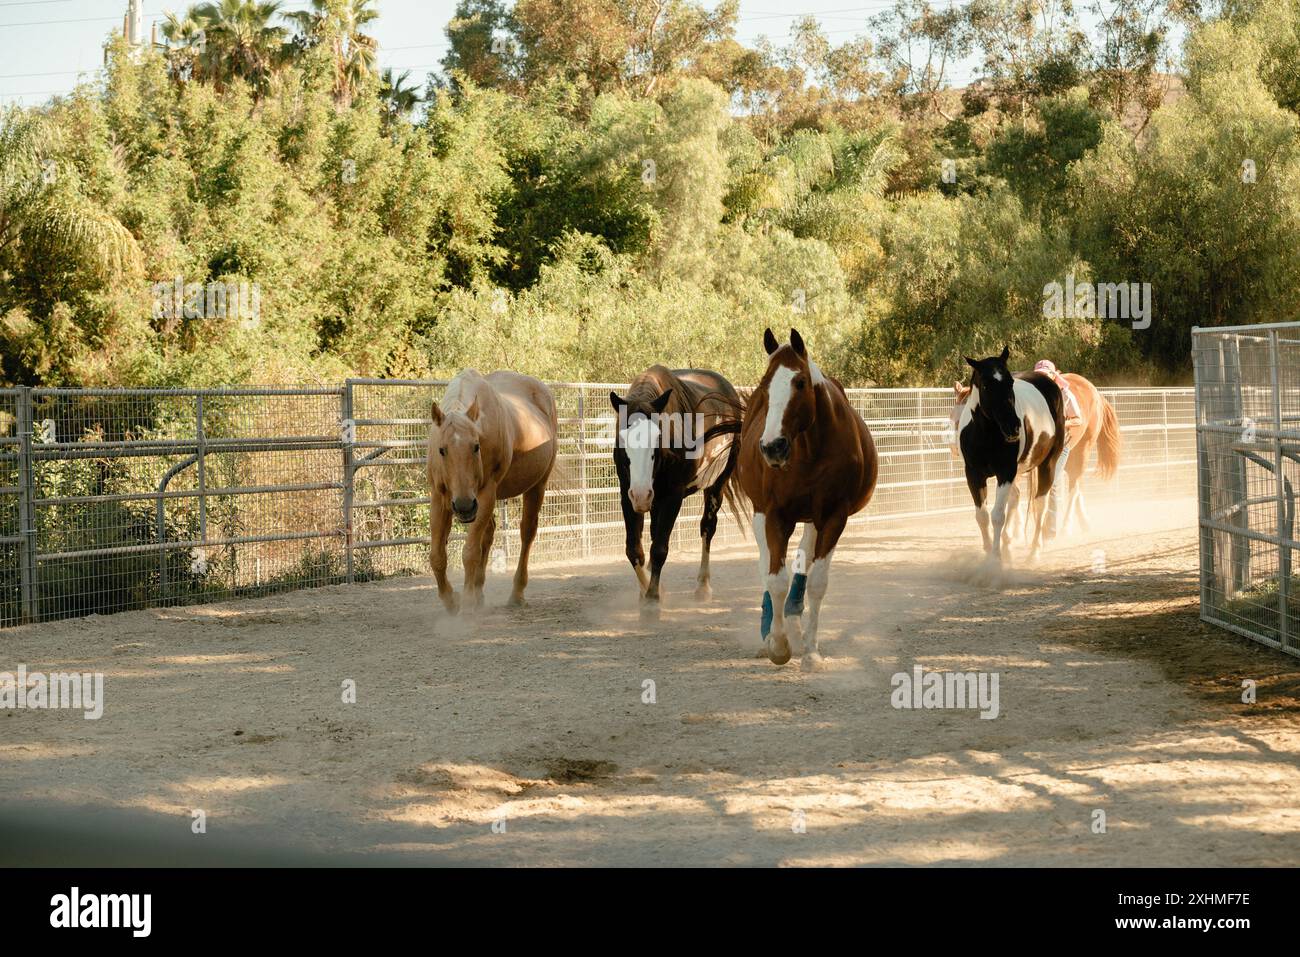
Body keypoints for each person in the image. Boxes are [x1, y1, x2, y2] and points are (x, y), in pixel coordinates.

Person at [1033, 360, 1084, 538]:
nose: (1041, 379)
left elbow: (1078, 419)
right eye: (1038, 376)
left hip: (1059, 446)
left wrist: (1059, 424)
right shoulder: (1033, 395)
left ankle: (1051, 530)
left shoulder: (1064, 394)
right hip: (1039, 445)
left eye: (1045, 376)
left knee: (1051, 482)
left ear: (1053, 376)